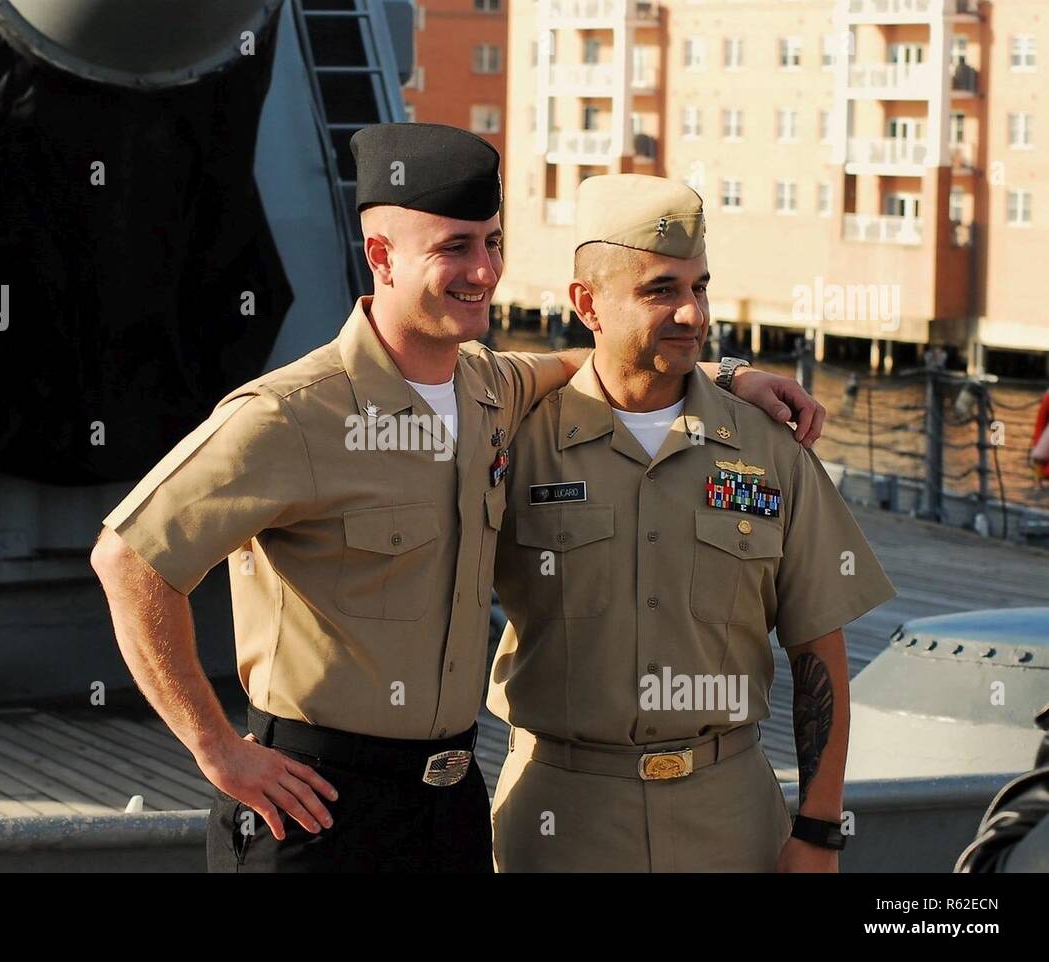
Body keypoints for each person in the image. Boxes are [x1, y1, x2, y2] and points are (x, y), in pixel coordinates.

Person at [90, 127, 826, 872]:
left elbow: (605, 358)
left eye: (494, 242)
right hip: (313, 810)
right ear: (382, 256)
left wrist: (729, 377)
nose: (484, 271)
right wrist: (217, 750)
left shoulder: (489, 390)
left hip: (450, 806)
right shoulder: (292, 414)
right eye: (454, 248)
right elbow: (128, 559)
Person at [488, 173, 896, 872]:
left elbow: (818, 650)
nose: (692, 312)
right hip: (560, 822)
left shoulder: (769, 447)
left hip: (729, 819)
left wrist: (820, 833)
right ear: (587, 303)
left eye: (699, 286)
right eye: (661, 291)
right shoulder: (516, 441)